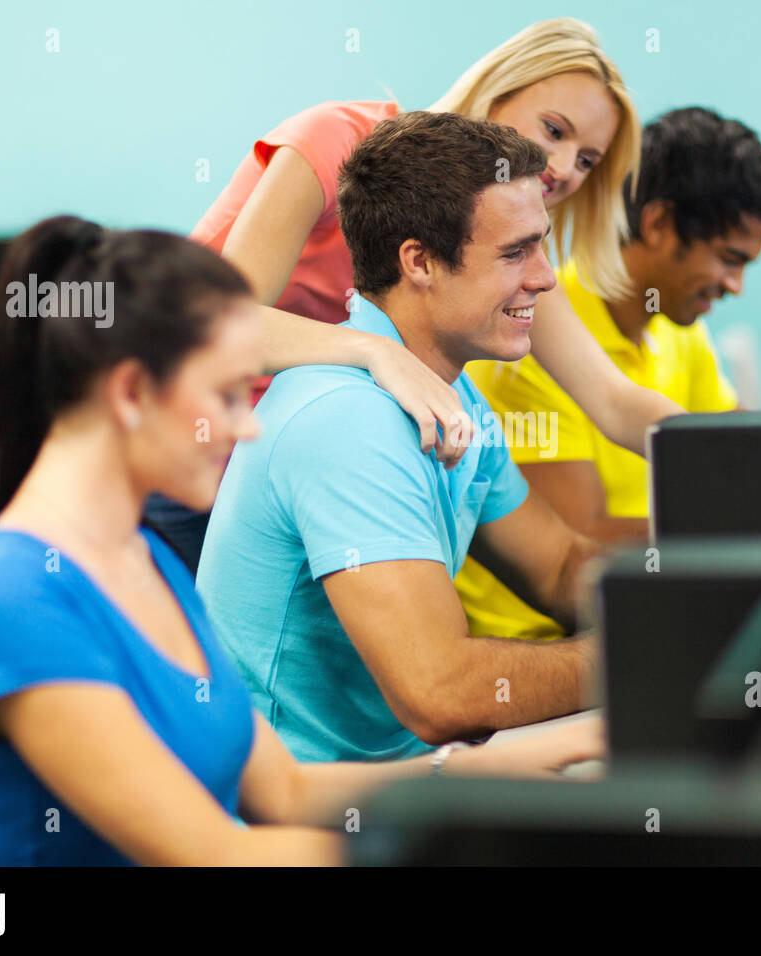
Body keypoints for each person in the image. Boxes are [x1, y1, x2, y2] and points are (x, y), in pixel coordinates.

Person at [0, 216, 603, 866]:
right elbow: (216, 853)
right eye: (226, 396)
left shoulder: (144, 562)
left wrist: (507, 767)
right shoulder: (14, 602)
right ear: (133, 393)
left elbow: (287, 789)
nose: (246, 428)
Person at [146, 17, 683, 574]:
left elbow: (615, 402)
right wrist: (376, 352)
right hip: (194, 456)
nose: (565, 168)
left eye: (588, 159)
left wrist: (739, 463)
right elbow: (216, 329)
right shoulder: (337, 141)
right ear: (495, 92)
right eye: (554, 130)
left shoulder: (504, 250)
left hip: (317, 470)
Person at [197, 113, 603, 763]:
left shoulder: (454, 396)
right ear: (419, 262)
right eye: (514, 252)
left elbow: (556, 566)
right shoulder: (346, 421)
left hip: (402, 781)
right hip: (298, 813)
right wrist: (631, 659)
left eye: (542, 247)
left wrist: (686, 600)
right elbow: (440, 692)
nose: (545, 278)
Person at [456, 107, 761, 641]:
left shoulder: (678, 325)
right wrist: (749, 527)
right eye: (729, 258)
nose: (736, 285)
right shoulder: (527, 342)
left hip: (644, 612)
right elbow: (576, 542)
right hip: (551, 642)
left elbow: (731, 441)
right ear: (658, 222)